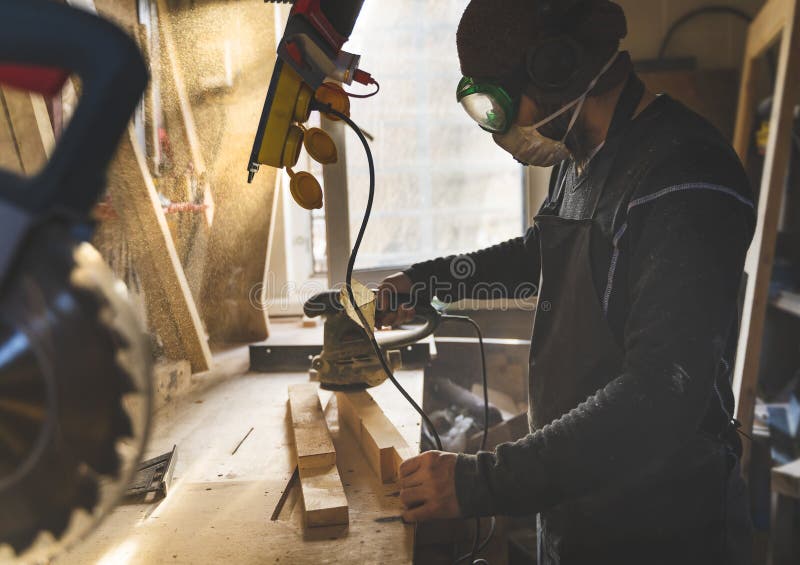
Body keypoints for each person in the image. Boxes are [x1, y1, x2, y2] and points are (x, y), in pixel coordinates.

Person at [377, 1, 756, 563]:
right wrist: (431, 280)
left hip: (660, 530)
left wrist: (477, 482)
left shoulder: (684, 177)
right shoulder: (579, 154)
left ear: (557, 68)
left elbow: (660, 394)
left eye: (498, 104)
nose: (497, 130)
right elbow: (542, 253)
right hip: (578, 505)